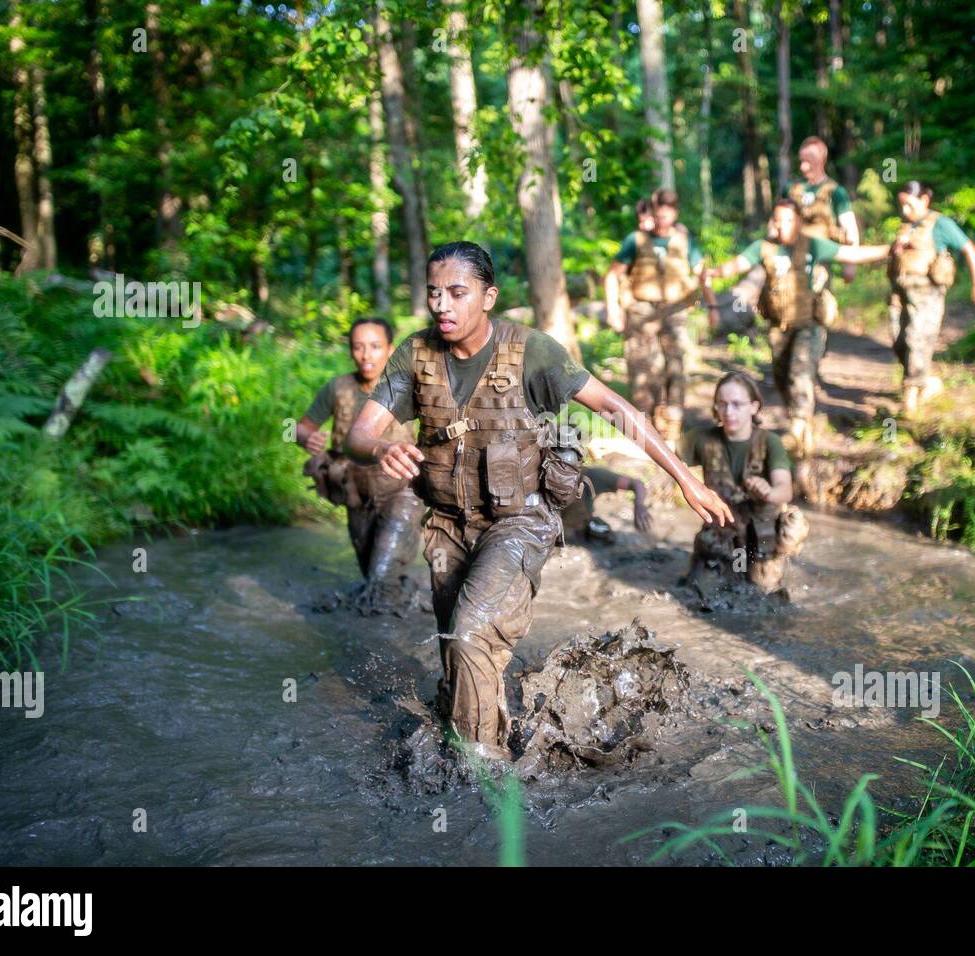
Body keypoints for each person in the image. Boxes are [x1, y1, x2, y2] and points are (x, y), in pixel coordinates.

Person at [346, 241, 732, 760]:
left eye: (457, 293)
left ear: (488, 296)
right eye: (434, 293)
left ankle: (481, 771)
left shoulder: (532, 351)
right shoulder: (415, 355)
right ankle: (492, 738)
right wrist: (383, 445)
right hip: (446, 526)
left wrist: (686, 478)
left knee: (469, 632)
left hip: (519, 521)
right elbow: (358, 436)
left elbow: (614, 407)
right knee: (453, 647)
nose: (442, 305)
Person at [705, 200, 890, 489]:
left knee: (800, 371)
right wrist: (713, 272)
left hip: (809, 325)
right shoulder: (763, 248)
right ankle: (802, 426)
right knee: (781, 377)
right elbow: (736, 265)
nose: (778, 227)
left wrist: (889, 250)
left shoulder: (813, 245)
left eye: (785, 221)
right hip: (779, 327)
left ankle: (799, 425)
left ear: (798, 222)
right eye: (775, 221)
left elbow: (850, 253)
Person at [296, 318, 422, 609]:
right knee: (372, 574)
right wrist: (305, 439)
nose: (366, 355)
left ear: (390, 349)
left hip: (403, 489)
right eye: (358, 347)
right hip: (354, 490)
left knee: (381, 574)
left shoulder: (411, 387)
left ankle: (383, 644)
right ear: (351, 350)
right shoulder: (337, 389)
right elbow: (298, 426)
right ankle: (407, 605)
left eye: (375, 347)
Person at [604, 188, 720, 447]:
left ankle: (673, 420)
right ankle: (647, 426)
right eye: (658, 211)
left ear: (674, 213)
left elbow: (702, 273)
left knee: (676, 365)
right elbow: (612, 275)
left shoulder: (685, 241)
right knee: (643, 367)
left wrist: (713, 306)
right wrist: (613, 309)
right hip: (641, 310)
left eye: (668, 212)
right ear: (652, 211)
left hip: (674, 310)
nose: (662, 217)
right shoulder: (636, 240)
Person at [681, 371, 808, 594]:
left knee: (763, 595)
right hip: (719, 538)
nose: (729, 412)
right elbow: (661, 453)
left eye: (737, 404)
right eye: (722, 404)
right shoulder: (701, 439)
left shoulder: (770, 442)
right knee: (699, 595)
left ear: (754, 407)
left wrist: (768, 492)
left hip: (759, 542)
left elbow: (785, 490)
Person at [886, 181, 975, 415]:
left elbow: (969, 249)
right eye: (901, 205)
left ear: (924, 200)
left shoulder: (940, 223)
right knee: (899, 340)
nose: (904, 211)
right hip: (900, 293)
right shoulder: (906, 225)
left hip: (927, 294)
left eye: (909, 205)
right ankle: (927, 382)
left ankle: (910, 396)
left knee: (917, 339)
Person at [782, 135, 861, 331]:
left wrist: (850, 264)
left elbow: (850, 228)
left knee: (816, 305)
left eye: (809, 162)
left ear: (822, 160)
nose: (803, 167)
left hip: (820, 260)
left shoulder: (836, 192)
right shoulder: (791, 189)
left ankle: (813, 343)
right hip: (790, 256)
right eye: (801, 161)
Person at [559, 466, 653, 545]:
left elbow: (636, 483)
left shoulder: (591, 476)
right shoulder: (547, 474)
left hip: (580, 529)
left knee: (604, 534)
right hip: (555, 529)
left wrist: (639, 505)